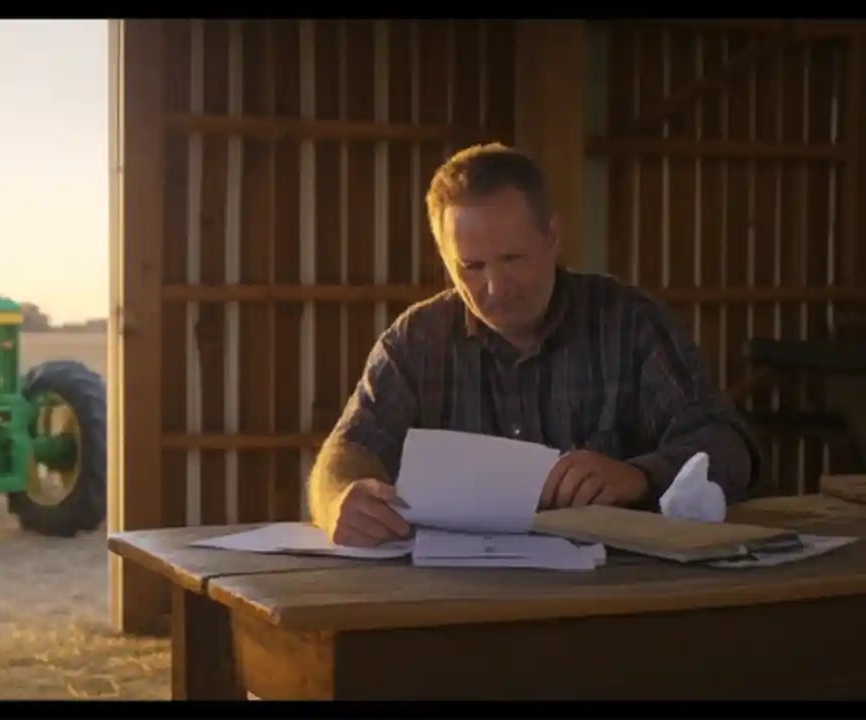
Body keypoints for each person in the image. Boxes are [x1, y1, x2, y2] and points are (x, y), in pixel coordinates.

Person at [308, 142, 763, 547]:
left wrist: (641, 476)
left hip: (614, 596)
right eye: (471, 266)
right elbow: (347, 450)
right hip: (455, 598)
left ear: (552, 238)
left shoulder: (629, 322)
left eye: (512, 258)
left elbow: (726, 446)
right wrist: (337, 504)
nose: (495, 287)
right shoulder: (416, 341)